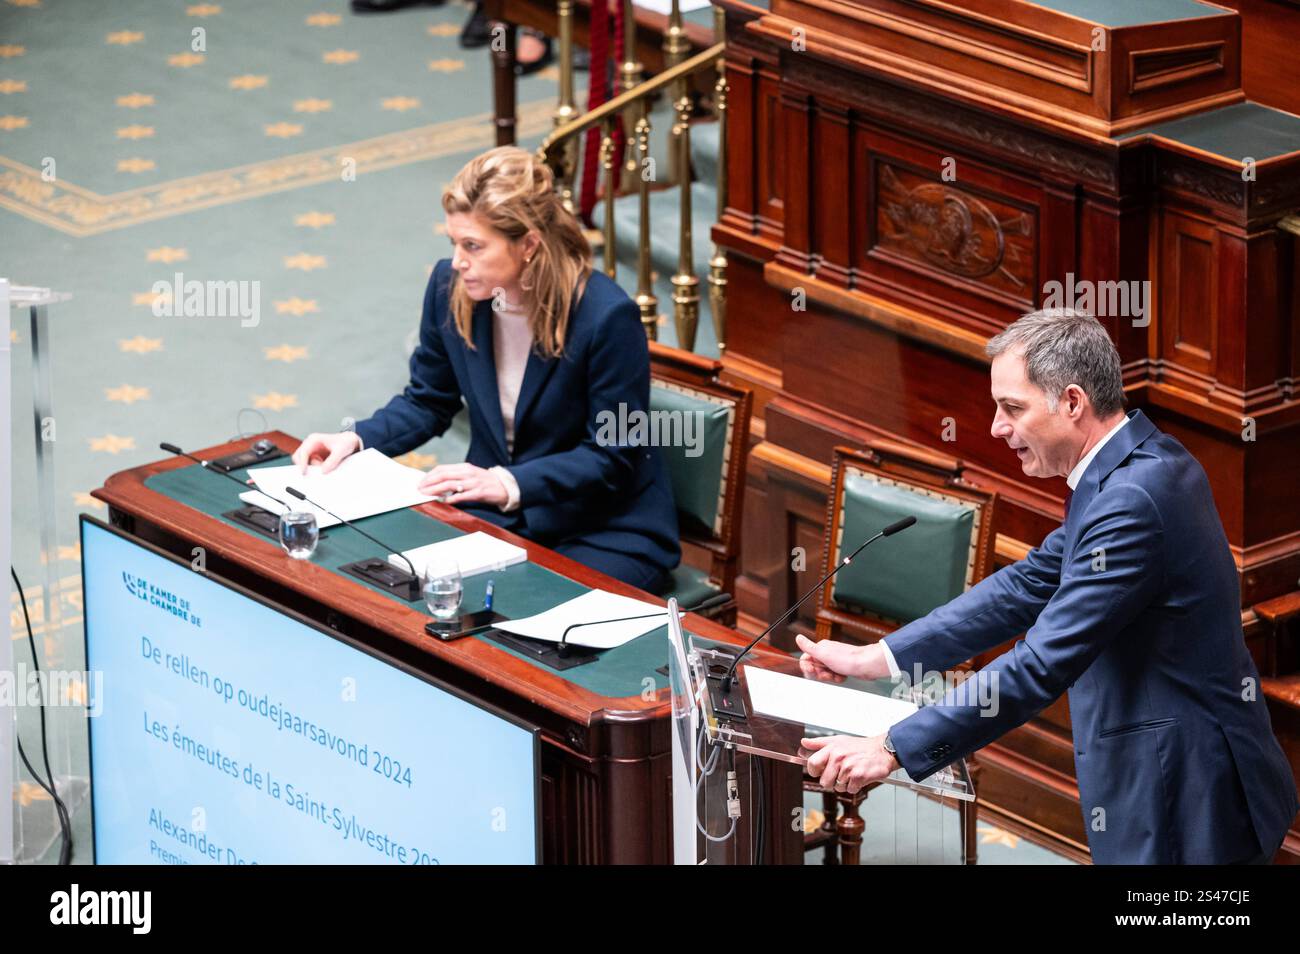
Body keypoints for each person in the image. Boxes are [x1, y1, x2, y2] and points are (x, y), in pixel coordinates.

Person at [797, 309, 1299, 864]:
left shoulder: (1133, 499)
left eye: (1013, 407)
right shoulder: (1129, 465)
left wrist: (893, 747)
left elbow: (1038, 665)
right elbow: (1028, 584)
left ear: (1073, 402)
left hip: (1185, 795)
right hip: (1165, 772)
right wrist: (879, 657)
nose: (996, 427)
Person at [293, 146, 680, 593]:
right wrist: (356, 438)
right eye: (454, 243)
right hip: (501, 513)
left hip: (605, 530)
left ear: (529, 244)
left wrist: (506, 481)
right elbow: (428, 401)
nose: (459, 261)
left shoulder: (605, 317)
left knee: (515, 615)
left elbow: (610, 457)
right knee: (401, 584)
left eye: (473, 246)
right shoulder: (449, 288)